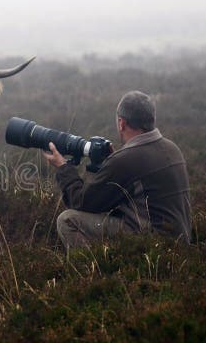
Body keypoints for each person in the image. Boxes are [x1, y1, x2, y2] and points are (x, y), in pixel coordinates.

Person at [44, 91, 191, 250]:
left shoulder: (126, 159)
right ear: (152, 119)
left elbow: (81, 202)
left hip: (155, 243)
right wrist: (110, 164)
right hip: (180, 240)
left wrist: (63, 168)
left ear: (121, 123)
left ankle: (91, 269)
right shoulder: (172, 148)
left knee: (68, 220)